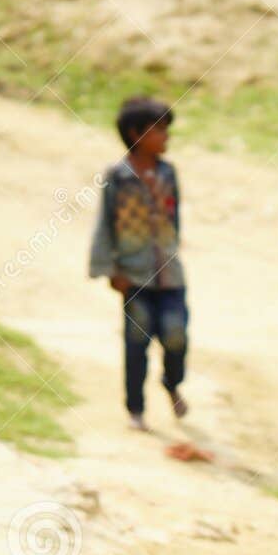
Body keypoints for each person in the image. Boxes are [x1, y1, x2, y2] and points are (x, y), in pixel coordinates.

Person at [89, 96, 188, 431]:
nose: (166, 137)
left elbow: (175, 219)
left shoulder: (168, 173)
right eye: (159, 130)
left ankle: (172, 382)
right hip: (134, 276)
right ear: (136, 134)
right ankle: (136, 408)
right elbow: (105, 225)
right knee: (136, 342)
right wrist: (108, 269)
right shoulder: (118, 177)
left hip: (171, 275)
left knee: (176, 335)